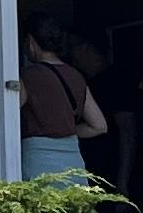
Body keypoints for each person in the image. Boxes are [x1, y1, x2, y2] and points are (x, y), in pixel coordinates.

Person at [18, 20, 104, 180]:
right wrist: (66, 131)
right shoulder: (76, 76)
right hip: (73, 160)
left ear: (30, 42)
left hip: (38, 158)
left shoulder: (29, 76)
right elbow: (99, 126)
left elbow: (10, 116)